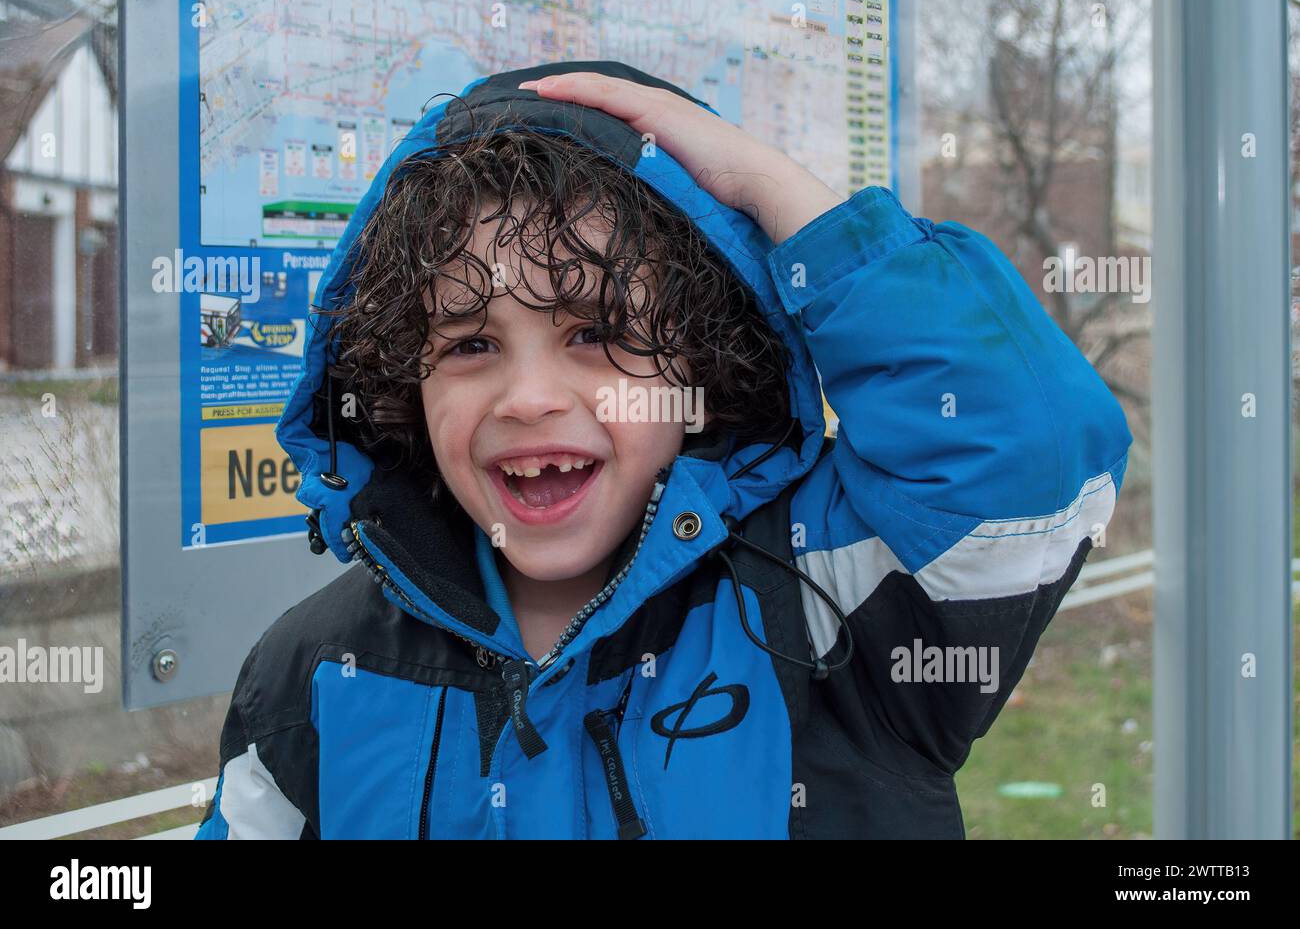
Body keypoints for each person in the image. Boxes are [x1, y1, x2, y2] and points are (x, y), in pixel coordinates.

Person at [195, 61, 1131, 839]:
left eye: (598, 335)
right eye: (470, 344)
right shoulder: (314, 671)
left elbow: (1028, 459)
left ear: (707, 371)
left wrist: (777, 194)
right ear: (407, 385)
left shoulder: (819, 597)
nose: (528, 398)